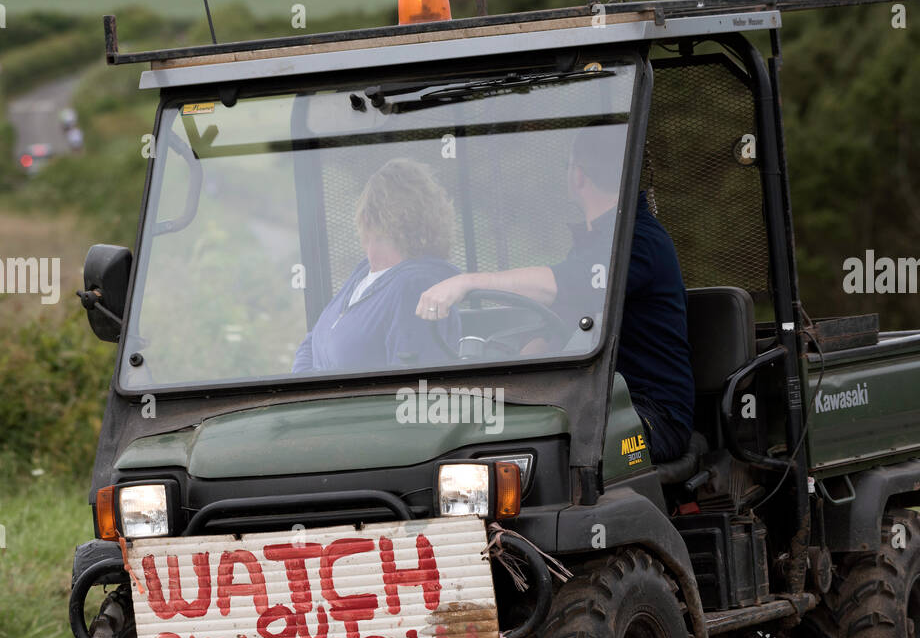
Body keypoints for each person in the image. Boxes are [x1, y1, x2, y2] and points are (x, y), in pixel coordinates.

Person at [413, 126, 694, 462]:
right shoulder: (599, 242)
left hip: (649, 415)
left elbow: (559, 284)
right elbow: (566, 315)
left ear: (577, 176)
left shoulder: (637, 241)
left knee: (551, 450)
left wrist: (467, 282)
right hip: (600, 403)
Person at [293, 158, 461, 373]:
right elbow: (312, 341)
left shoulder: (416, 287)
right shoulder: (363, 273)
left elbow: (409, 387)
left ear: (368, 218)